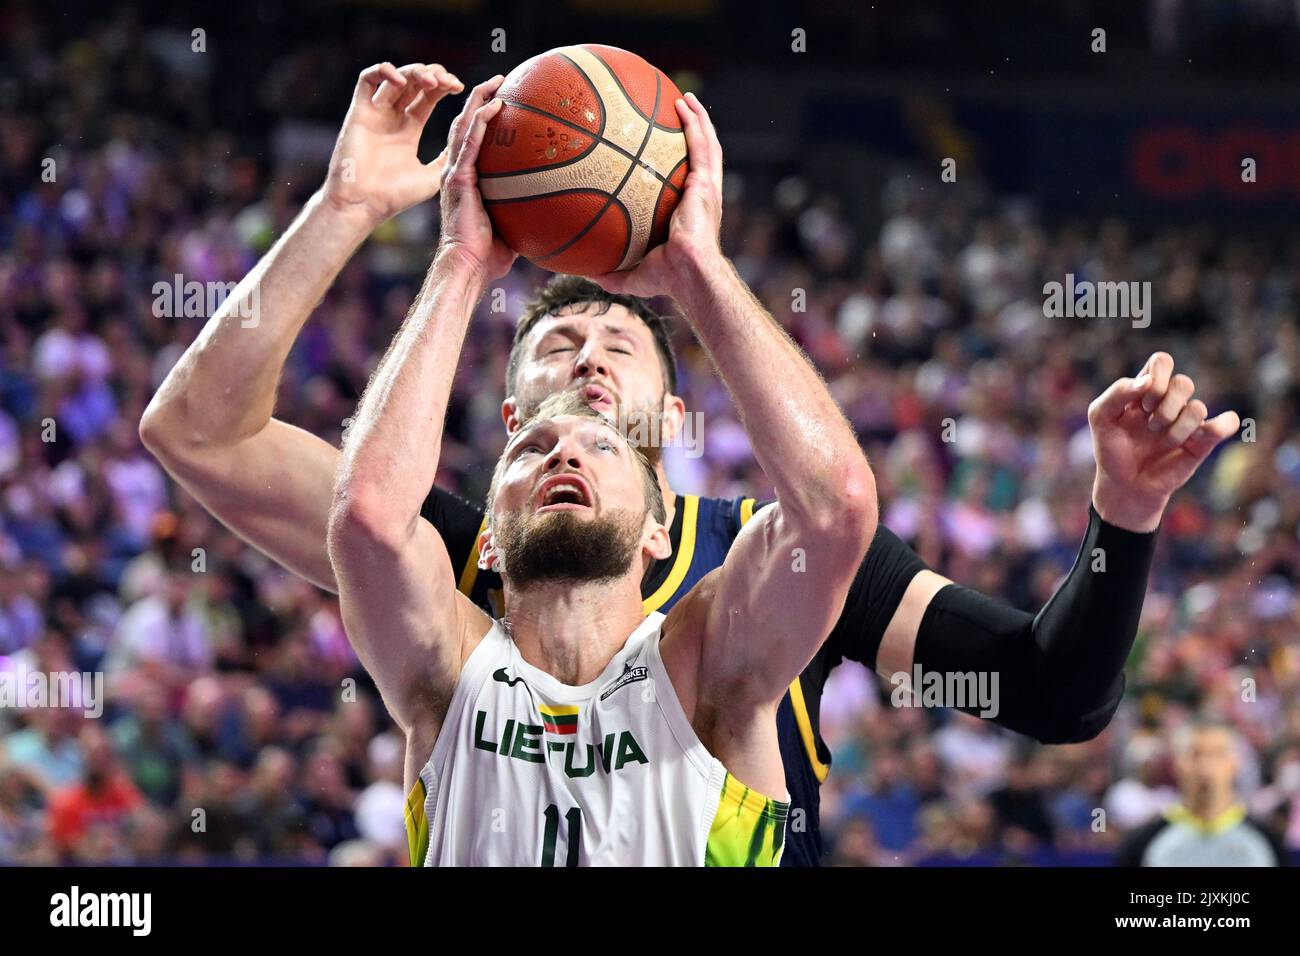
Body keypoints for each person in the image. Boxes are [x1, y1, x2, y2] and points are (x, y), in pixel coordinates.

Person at [139, 61, 1241, 865]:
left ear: (672, 413)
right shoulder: (455, 548)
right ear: (511, 406)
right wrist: (346, 210)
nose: (585, 358)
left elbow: (1053, 689)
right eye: (555, 348)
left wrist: (1124, 511)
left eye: (618, 341)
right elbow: (198, 431)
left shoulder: (762, 561)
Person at [325, 78, 878, 865]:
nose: (566, 451)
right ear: (486, 541)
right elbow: (369, 518)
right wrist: (459, 264)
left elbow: (837, 512)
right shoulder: (448, 677)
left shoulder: (704, 671)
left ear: (661, 530)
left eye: (603, 447)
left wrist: (697, 269)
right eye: (532, 449)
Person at [1114, 720, 1288, 866]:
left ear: (1235, 763)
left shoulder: (1267, 842)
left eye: (1218, 754)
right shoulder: (1142, 843)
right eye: (1195, 754)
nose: (1205, 767)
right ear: (1176, 764)